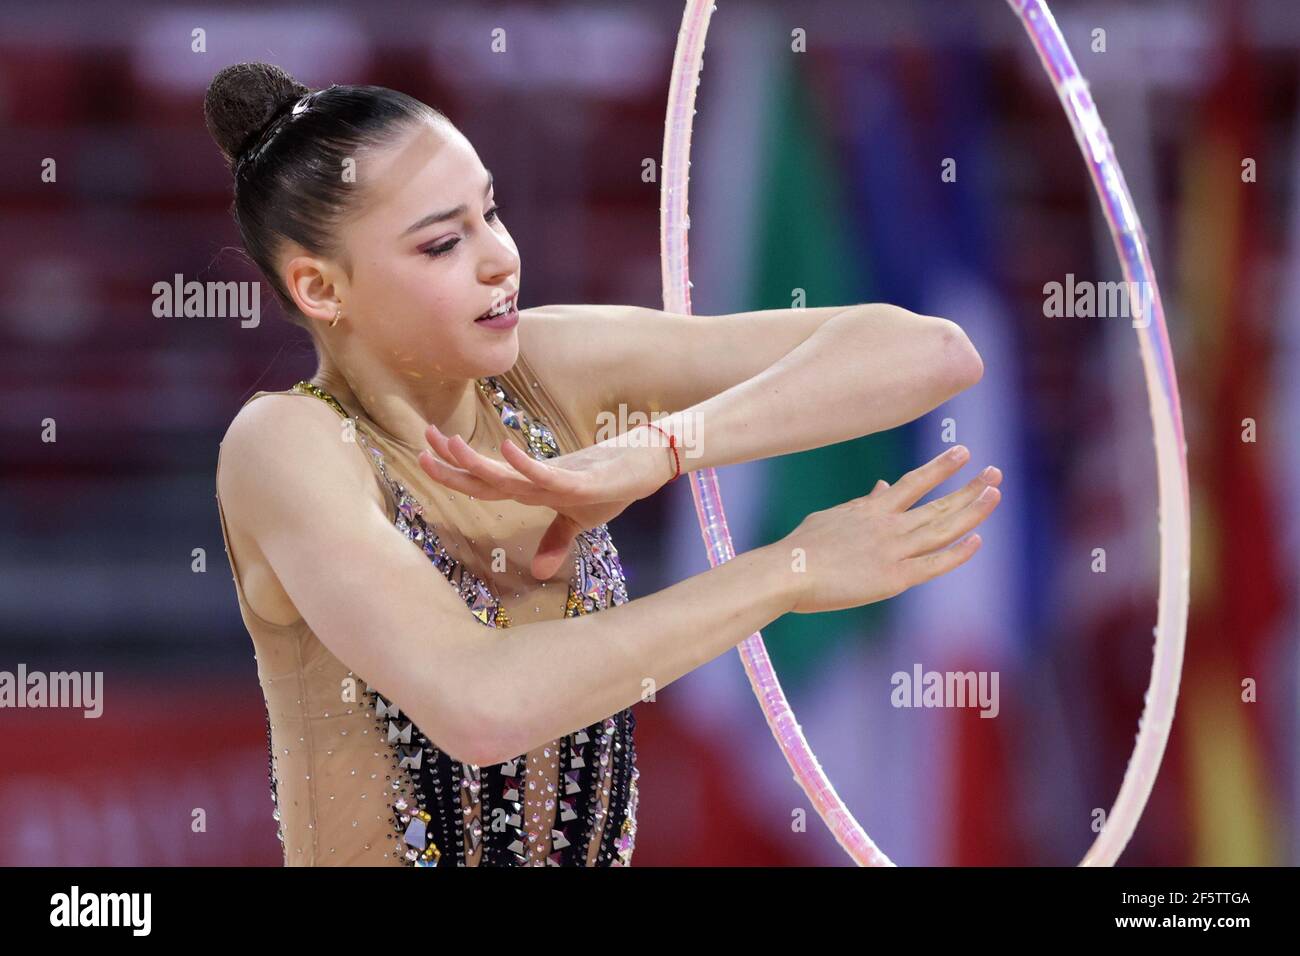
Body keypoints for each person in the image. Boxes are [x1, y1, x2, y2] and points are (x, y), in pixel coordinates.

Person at [208, 62, 1003, 866]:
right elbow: (481, 706)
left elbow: (930, 352)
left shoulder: (547, 368)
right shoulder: (287, 443)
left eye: (492, 212)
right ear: (319, 286)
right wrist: (786, 574)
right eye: (445, 242)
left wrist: (661, 448)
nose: (499, 260)